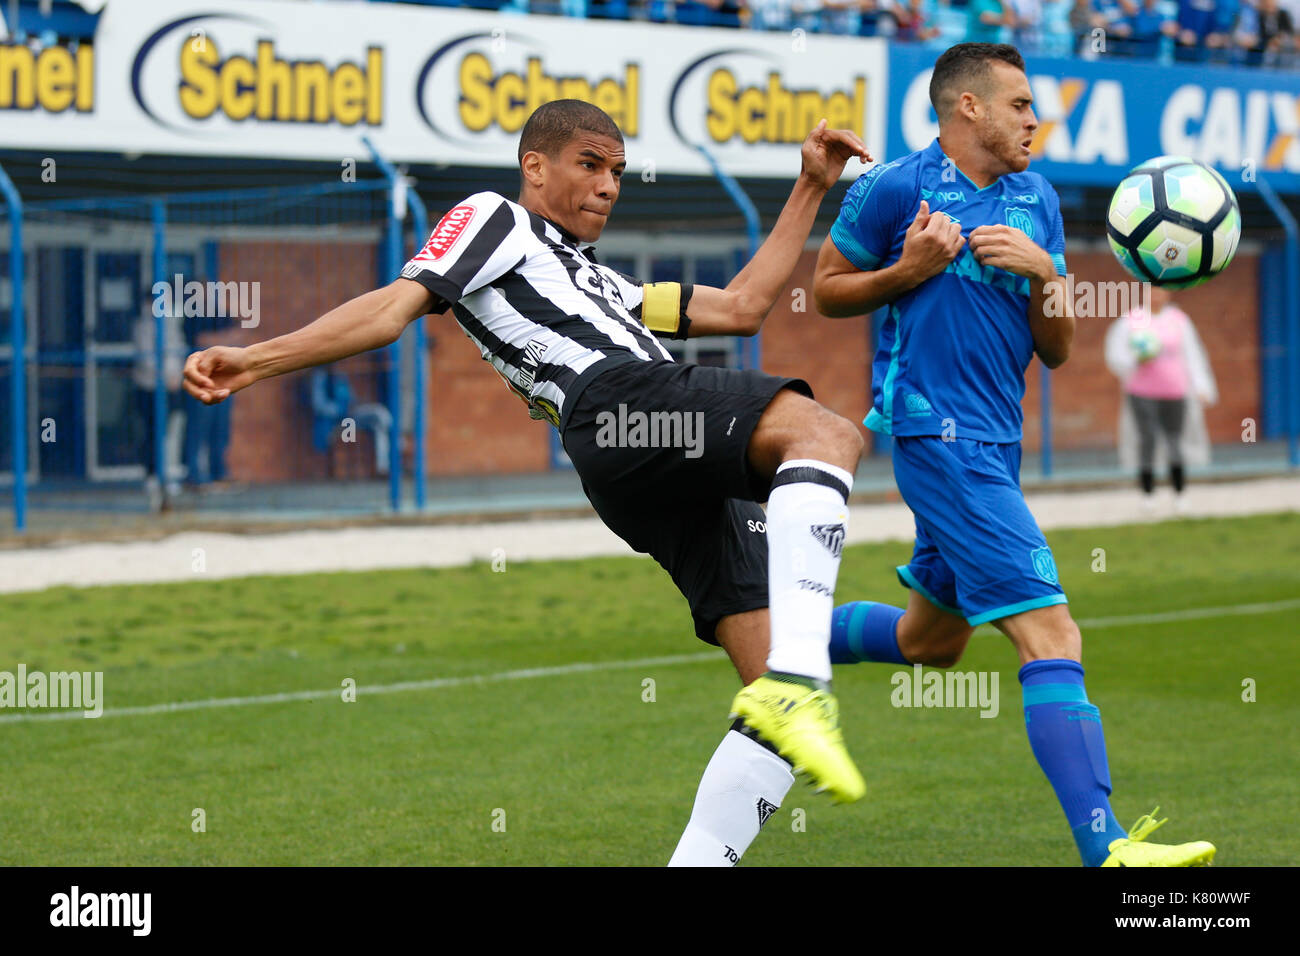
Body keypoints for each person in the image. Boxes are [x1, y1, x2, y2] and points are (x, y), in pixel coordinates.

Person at [185, 99, 874, 867]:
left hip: (639, 457)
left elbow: (743, 308)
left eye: (616, 172)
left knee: (775, 712)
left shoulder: (602, 282)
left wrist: (812, 185)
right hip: (620, 406)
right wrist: (256, 360)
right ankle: (806, 676)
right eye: (589, 164)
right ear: (534, 167)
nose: (609, 185)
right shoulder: (495, 220)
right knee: (826, 433)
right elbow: (390, 310)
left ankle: (768, 736)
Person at [813, 43, 1216, 866]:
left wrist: (1045, 276)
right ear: (969, 108)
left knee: (934, 643)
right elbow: (824, 289)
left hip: (999, 444)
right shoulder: (897, 186)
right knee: (1054, 635)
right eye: (1022, 103)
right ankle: (1107, 847)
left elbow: (1059, 349)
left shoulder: (1037, 196)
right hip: (936, 437)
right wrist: (909, 267)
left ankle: (785, 633)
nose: (1036, 118)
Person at [1104, 286, 1217, 515]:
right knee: (1147, 439)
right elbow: (1116, 355)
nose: (1156, 296)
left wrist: (1202, 386)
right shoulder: (1130, 321)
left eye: (1160, 291)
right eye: (1151, 291)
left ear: (1168, 294)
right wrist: (1136, 358)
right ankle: (1148, 495)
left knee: (1175, 440)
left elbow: (1192, 355)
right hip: (1141, 392)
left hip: (1175, 391)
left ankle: (1179, 493)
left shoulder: (1179, 321)